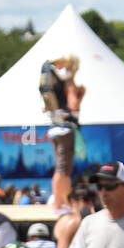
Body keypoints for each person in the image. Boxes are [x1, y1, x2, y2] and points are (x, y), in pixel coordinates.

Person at [39, 54, 85, 210]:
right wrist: (80, 96)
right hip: (66, 128)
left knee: (59, 167)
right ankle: (61, 201)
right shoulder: (69, 82)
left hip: (54, 128)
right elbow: (72, 105)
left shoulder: (53, 79)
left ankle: (60, 200)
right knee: (64, 169)